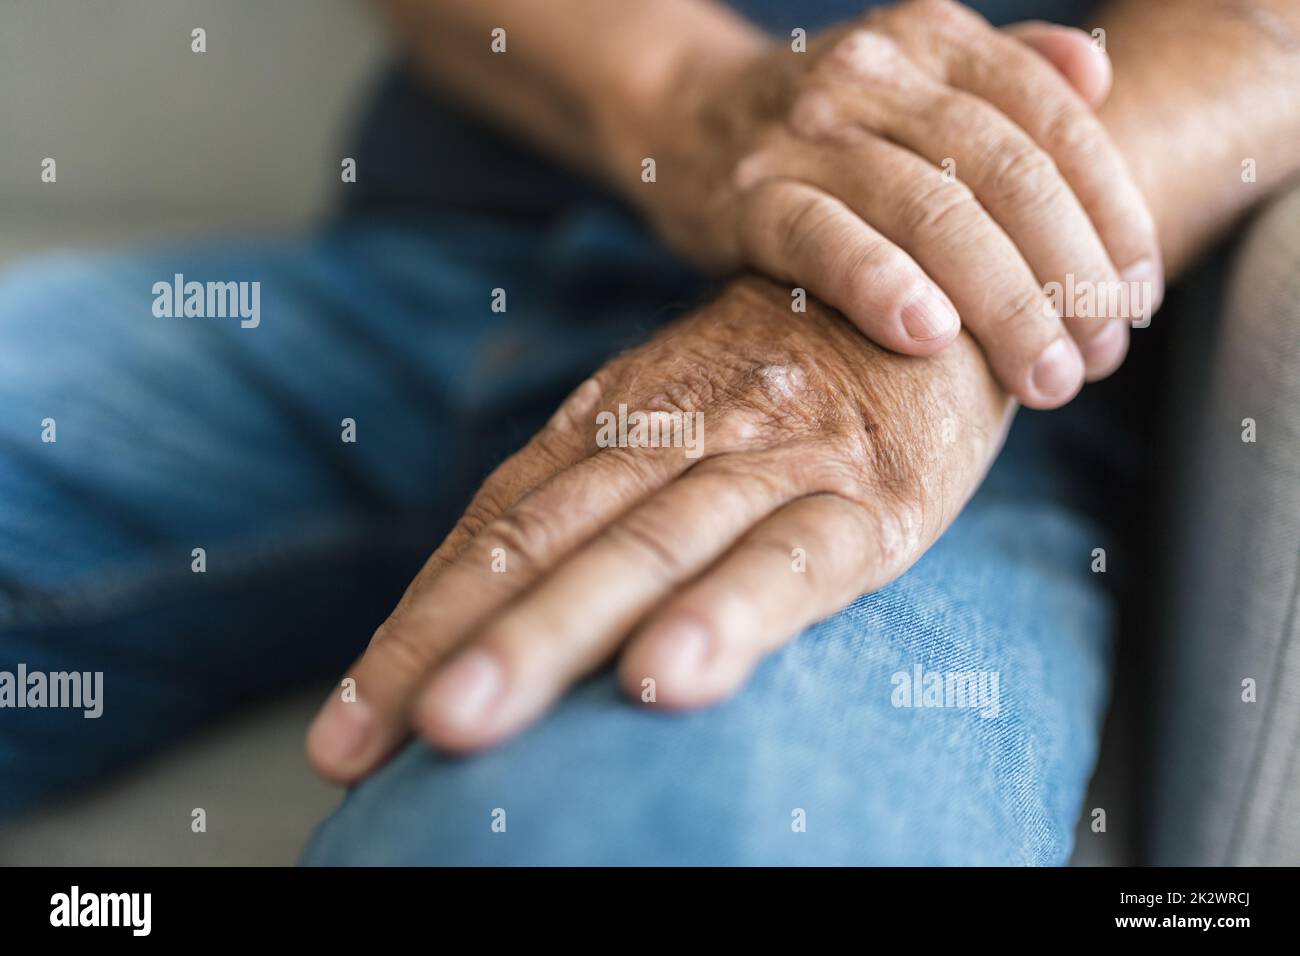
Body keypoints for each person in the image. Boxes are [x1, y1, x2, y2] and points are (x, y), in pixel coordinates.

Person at [2, 0, 1297, 864]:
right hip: (422, 271)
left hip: (957, 391)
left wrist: (923, 281)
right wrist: (693, 100)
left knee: (630, 830)